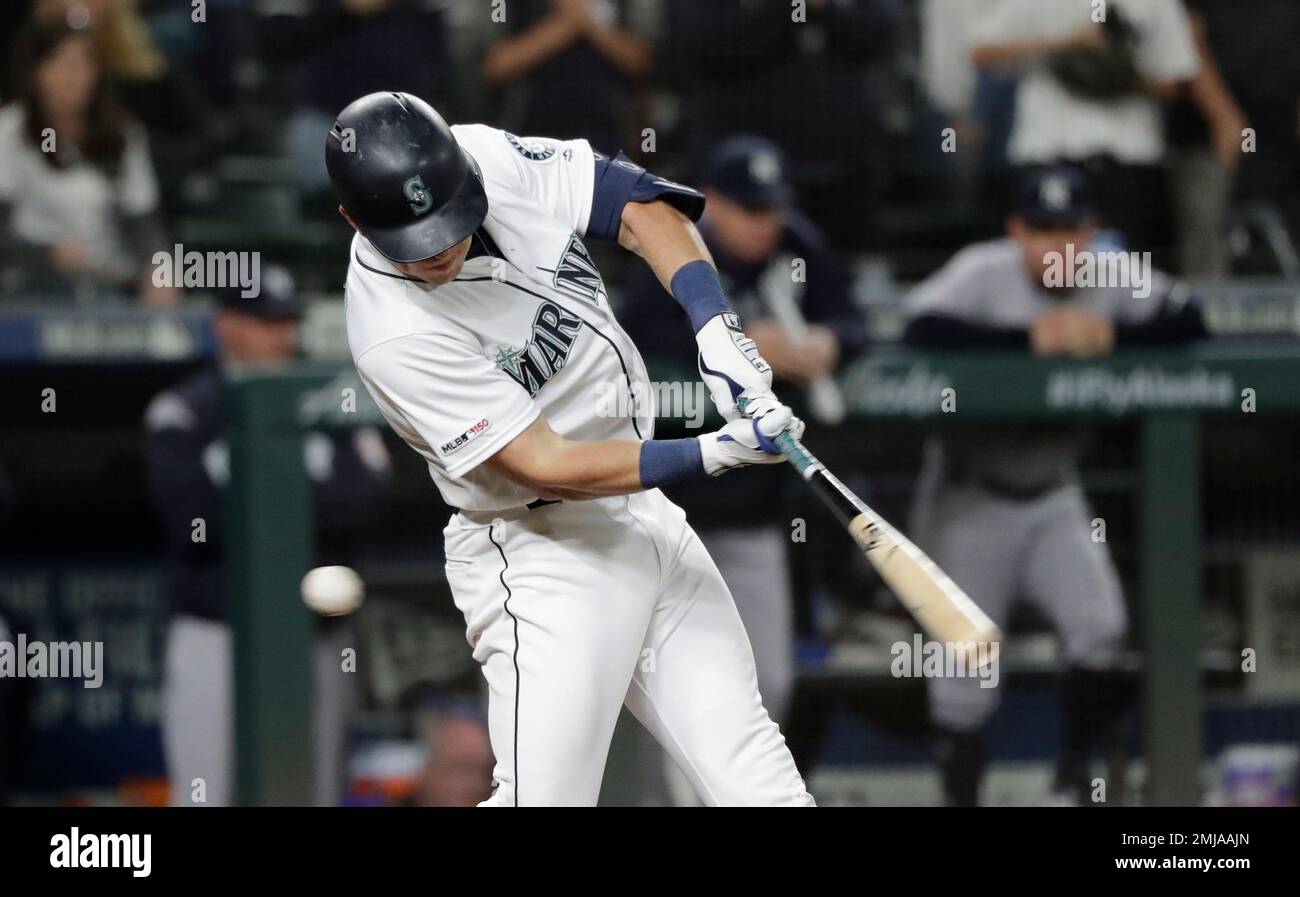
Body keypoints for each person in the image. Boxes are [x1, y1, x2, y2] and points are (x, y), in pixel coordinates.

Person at [328, 92, 815, 806]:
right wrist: (711, 452)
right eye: (416, 238)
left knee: (761, 784)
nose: (440, 247)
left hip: (646, 516)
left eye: (449, 221)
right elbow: (542, 461)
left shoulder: (486, 157)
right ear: (352, 219)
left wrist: (715, 327)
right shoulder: (392, 331)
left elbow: (638, 203)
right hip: (541, 551)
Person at [902, 166, 1206, 806]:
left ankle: (1070, 782)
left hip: (1053, 496)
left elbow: (1191, 320)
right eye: (1042, 230)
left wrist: (1113, 335)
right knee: (965, 680)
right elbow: (918, 330)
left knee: (1100, 629)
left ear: (1092, 233)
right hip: (968, 497)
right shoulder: (984, 269)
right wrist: (1027, 341)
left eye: (1071, 231)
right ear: (1016, 230)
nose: (1058, 247)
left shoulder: (1110, 272)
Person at [620, 135, 866, 728]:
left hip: (752, 512)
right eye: (751, 209)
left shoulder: (797, 245)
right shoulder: (671, 244)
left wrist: (830, 342)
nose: (767, 224)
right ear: (715, 203)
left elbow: (854, 318)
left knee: (767, 684)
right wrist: (743, 348)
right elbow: (634, 343)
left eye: (774, 207)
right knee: (665, 694)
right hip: (669, 509)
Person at [144, 265, 393, 806]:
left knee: (314, 794)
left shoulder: (331, 398)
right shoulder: (188, 411)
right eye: (265, 321)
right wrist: (304, 501)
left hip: (315, 636)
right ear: (225, 325)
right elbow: (192, 524)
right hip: (217, 634)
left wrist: (260, 502)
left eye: (287, 321)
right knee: (208, 795)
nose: (282, 335)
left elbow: (368, 500)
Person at [969, 0, 1199, 259]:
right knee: (1047, 277)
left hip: (1128, 160)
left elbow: (1177, 79)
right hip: (1047, 154)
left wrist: (1119, 76)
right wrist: (1066, 45)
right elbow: (981, 52)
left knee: (1126, 281)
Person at [0, 17, 172, 303]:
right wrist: (45, 256)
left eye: (82, 64)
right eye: (60, 64)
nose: (72, 76)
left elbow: (143, 222)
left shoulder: (123, 133)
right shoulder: (9, 131)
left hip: (109, 284)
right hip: (27, 287)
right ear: (36, 72)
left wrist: (160, 275)